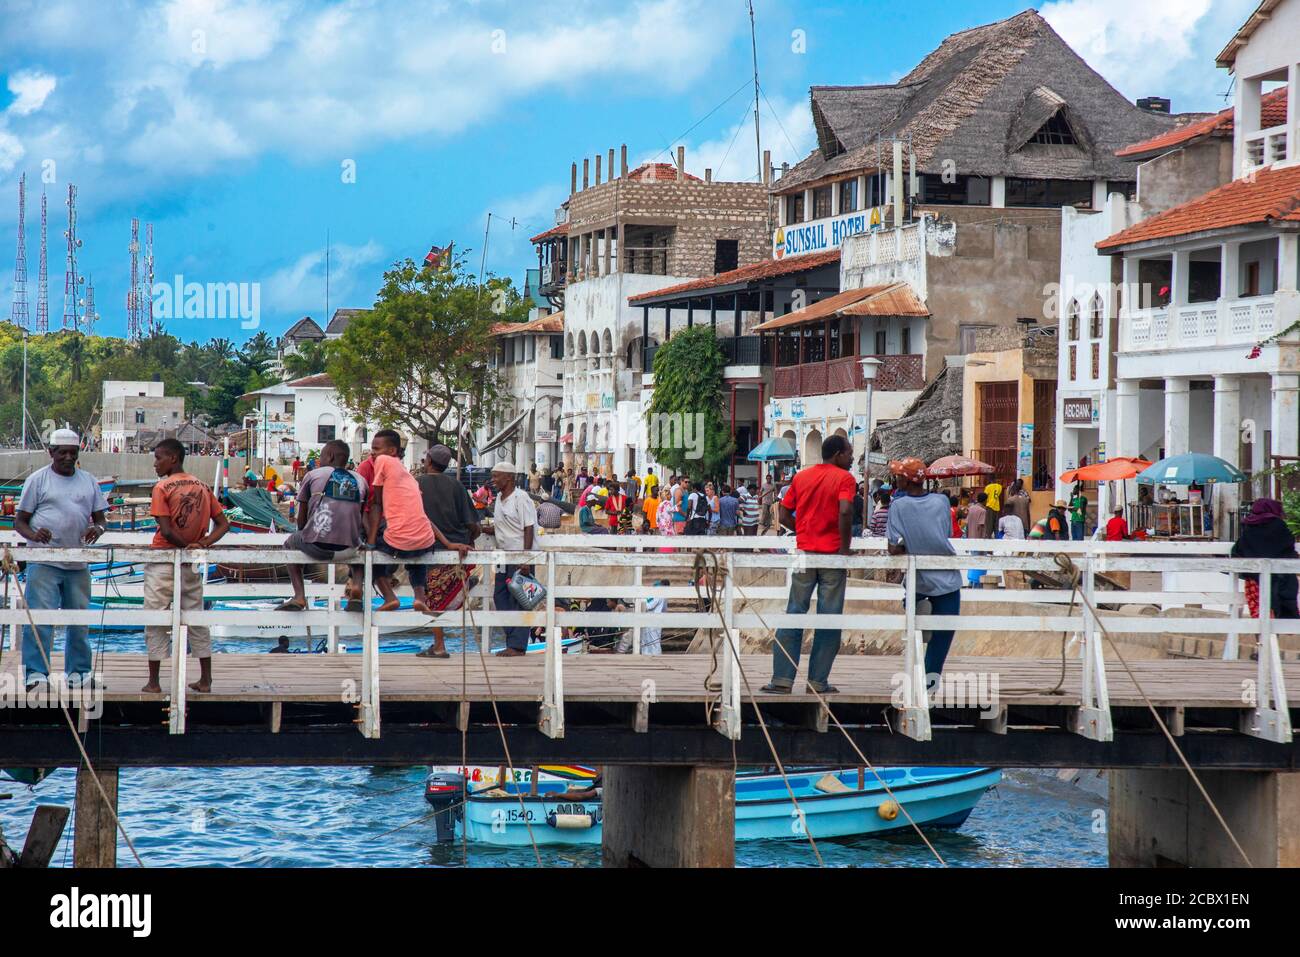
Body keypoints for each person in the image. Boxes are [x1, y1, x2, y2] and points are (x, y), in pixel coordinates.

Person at [762, 435, 857, 695]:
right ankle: (817, 682)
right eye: (849, 453)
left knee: (794, 610)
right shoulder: (845, 479)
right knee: (829, 617)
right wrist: (845, 548)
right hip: (832, 556)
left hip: (804, 554)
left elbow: (783, 514)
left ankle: (782, 679)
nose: (851, 458)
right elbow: (846, 510)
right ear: (837, 454)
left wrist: (803, 531)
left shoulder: (801, 477)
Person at [14, 429, 109, 689]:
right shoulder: (37, 480)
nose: (68, 457)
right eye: (62, 453)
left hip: (77, 560)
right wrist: (34, 535)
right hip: (43, 559)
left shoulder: (88, 481)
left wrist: (97, 529)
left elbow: (101, 519)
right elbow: (20, 521)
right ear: (51, 452)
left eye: (72, 453)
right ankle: (36, 674)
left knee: (79, 620)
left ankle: (79, 674)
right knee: (40, 619)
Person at [142, 438, 231, 694]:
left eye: (158, 458)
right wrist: (201, 544)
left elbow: (166, 530)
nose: (155, 463)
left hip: (163, 559)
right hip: (190, 563)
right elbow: (224, 524)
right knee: (196, 617)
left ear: (173, 458)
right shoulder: (202, 486)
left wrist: (185, 547)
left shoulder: (162, 487)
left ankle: (154, 682)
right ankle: (205, 679)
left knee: (156, 617)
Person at [364, 430, 468, 613]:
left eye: (376, 448)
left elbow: (377, 505)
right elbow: (423, 516)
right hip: (425, 541)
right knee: (418, 558)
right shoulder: (408, 477)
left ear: (392, 451)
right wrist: (448, 543)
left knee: (372, 558)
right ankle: (419, 598)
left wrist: (370, 543)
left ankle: (389, 597)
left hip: (398, 541)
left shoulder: (383, 461)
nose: (373, 452)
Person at [885, 457, 963, 689]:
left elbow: (893, 547)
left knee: (913, 621)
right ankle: (929, 683)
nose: (896, 479)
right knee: (943, 635)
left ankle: (916, 670)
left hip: (918, 578)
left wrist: (909, 545)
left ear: (906, 481)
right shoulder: (941, 501)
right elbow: (946, 532)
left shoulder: (898, 506)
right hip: (947, 576)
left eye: (898, 476)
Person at [278, 439, 367, 613]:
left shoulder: (313, 475)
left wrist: (305, 534)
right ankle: (356, 587)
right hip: (350, 549)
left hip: (318, 547)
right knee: (360, 543)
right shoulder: (360, 480)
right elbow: (361, 517)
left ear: (330, 456)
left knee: (289, 543)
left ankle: (299, 596)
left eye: (322, 456)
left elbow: (301, 522)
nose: (320, 460)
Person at [415, 444, 482, 658]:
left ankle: (439, 644)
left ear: (429, 461)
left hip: (428, 549)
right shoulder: (457, 486)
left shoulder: (417, 483)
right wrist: (469, 540)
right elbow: (473, 524)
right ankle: (439, 643)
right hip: (457, 550)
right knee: (437, 598)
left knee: (431, 598)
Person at [485, 461, 538, 656]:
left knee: (519, 599)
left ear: (508, 477)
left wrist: (525, 558)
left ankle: (517, 646)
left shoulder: (521, 498)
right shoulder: (499, 498)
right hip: (502, 555)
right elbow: (503, 526)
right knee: (499, 596)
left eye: (496, 476)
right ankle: (513, 638)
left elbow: (528, 527)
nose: (493, 480)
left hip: (519, 555)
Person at [1231, 499, 1299, 619]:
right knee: (1283, 619)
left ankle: (1263, 630)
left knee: (1261, 617)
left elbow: (1238, 551)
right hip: (1281, 580)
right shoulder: (1279, 526)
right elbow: (1288, 548)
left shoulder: (1249, 527)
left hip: (1254, 581)